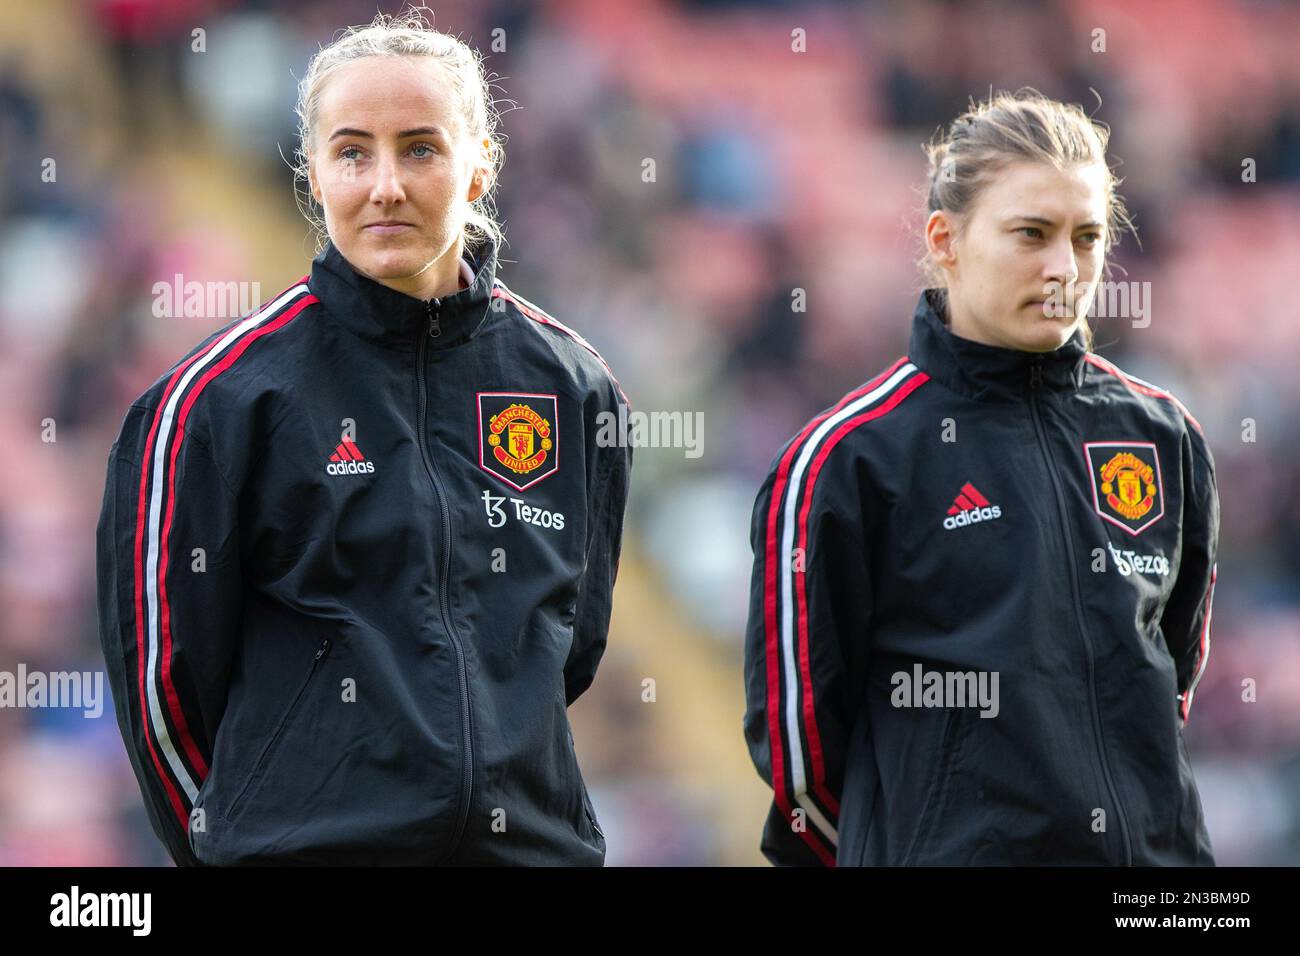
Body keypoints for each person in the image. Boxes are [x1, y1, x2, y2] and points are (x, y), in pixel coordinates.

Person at [95, 11, 632, 866]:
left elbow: (570, 653)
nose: (385, 185)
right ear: (313, 171)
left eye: (420, 149)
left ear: (480, 163)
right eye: (352, 153)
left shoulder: (575, 387)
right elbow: (163, 692)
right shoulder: (215, 402)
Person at [743, 89, 1218, 866]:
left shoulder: (1163, 438)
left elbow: (1168, 690)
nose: (1064, 269)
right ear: (947, 240)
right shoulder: (847, 460)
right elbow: (801, 765)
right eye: (1032, 233)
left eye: (1087, 237)